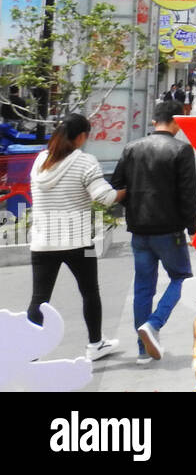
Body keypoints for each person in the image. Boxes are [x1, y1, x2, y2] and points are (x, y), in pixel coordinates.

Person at [26, 113, 126, 362]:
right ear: (81, 136)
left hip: (42, 241)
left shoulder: (40, 162)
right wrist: (127, 191)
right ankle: (95, 345)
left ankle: (27, 349)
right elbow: (105, 198)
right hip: (79, 240)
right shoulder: (85, 162)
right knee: (90, 292)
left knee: (40, 298)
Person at [110, 100, 196, 363]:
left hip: (139, 230)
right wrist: (192, 228)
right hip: (169, 230)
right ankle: (154, 323)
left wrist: (133, 206)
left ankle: (141, 351)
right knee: (182, 277)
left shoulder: (132, 148)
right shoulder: (181, 150)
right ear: (177, 121)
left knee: (143, 287)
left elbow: (117, 186)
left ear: (153, 121)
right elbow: (187, 194)